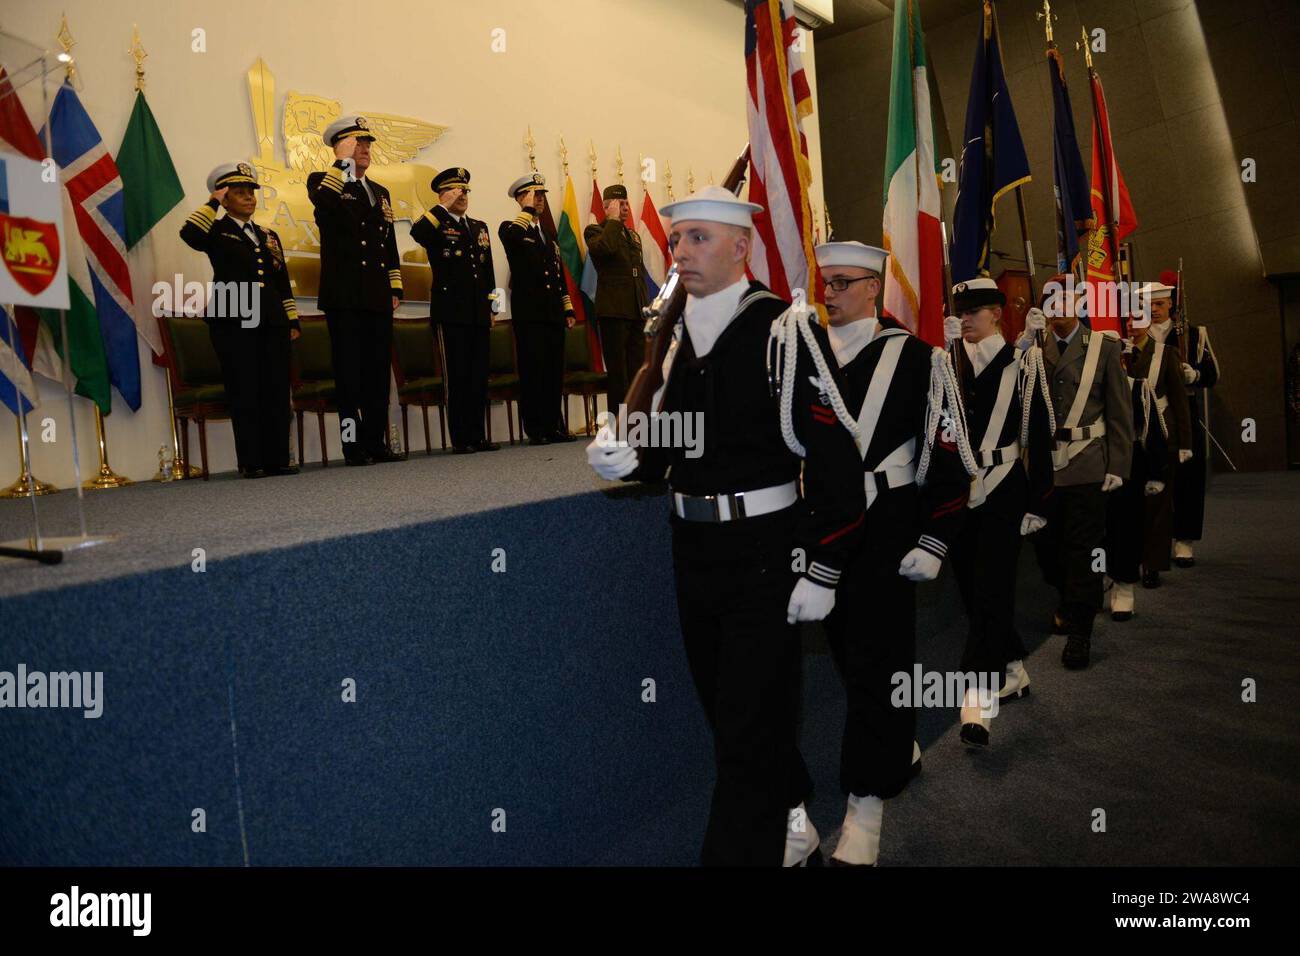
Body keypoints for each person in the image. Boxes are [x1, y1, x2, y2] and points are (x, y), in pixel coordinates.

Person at [586, 188, 864, 867]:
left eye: (699, 238)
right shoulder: (675, 334)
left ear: (741, 247)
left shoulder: (783, 329)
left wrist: (824, 567)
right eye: (678, 240)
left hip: (765, 554)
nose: (682, 251)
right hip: (694, 549)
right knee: (729, 709)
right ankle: (792, 812)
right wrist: (630, 459)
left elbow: (837, 459)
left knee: (744, 729)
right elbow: (679, 439)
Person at [814, 241, 974, 865]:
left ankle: (866, 800)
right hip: (826, 535)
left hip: (888, 530)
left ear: (874, 288)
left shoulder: (918, 359)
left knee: (878, 662)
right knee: (846, 657)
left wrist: (936, 538)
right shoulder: (809, 358)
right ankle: (897, 739)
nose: (828, 293)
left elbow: (950, 452)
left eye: (843, 283)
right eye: (824, 282)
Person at [943, 278, 1053, 746]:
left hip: (1005, 485)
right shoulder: (947, 363)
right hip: (961, 493)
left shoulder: (1022, 363)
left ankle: (978, 697)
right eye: (960, 310)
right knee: (971, 587)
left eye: (975, 310)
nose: (965, 318)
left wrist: (1039, 501)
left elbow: (1042, 432)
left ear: (996, 314)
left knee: (991, 587)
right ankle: (1012, 667)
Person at [1031, 275, 1133, 670]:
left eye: (1065, 299)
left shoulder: (1102, 348)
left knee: (1084, 548)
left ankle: (1081, 629)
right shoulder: (1033, 350)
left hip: (1088, 461)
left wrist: (1119, 464)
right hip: (1045, 468)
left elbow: (1119, 410)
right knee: (1047, 548)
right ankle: (1065, 595)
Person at [180, 162, 299, 478]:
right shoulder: (216, 231)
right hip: (234, 318)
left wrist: (292, 320)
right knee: (245, 390)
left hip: (272, 320)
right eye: (239, 193)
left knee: (274, 390)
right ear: (225, 198)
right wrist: (212, 202)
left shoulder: (268, 235)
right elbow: (189, 233)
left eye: (251, 193)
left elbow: (281, 280)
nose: (249, 198)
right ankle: (252, 460)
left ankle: (276, 459)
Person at [306, 115, 405, 466]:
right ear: (340, 146)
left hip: (377, 294)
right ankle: (352, 445)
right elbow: (324, 204)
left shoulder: (380, 192)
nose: (364, 149)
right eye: (357, 143)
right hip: (344, 295)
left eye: (366, 144)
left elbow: (387, 243)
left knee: (378, 374)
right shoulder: (324, 181)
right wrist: (341, 163)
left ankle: (376, 442)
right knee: (348, 376)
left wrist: (395, 286)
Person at [410, 167, 499, 453]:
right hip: (451, 313)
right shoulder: (436, 223)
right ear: (442, 194)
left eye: (465, 191)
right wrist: (443, 207)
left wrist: (495, 307)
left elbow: (488, 271)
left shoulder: (479, 227)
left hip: (478, 313)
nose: (462, 195)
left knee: (478, 376)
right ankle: (461, 438)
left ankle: (478, 435)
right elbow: (417, 232)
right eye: (455, 191)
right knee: (458, 378)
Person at [1104, 291, 1173, 621]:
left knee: (1126, 524)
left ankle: (1124, 584)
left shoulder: (1135, 386)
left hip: (1128, 461)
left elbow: (1151, 429)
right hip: (1087, 461)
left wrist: (1157, 472)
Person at [499, 172, 576, 445]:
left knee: (554, 371)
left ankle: (554, 425)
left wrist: (567, 308)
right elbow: (513, 239)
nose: (540, 200)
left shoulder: (547, 236)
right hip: (529, 313)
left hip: (552, 312)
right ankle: (536, 429)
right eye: (535, 195)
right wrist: (527, 209)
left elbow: (558, 276)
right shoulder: (511, 228)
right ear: (521, 198)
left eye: (542, 195)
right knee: (534, 371)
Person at [1153, 272, 1220, 567]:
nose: (1153, 310)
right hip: (1149, 412)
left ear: (1171, 305)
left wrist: (1195, 374)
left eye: (1159, 304)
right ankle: (1154, 539)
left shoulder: (1193, 334)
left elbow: (1213, 373)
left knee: (1187, 477)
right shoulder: (1135, 333)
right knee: (1152, 477)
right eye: (1149, 305)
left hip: (1183, 413)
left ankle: (1184, 539)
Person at [1132, 283, 1191, 588]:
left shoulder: (1166, 354)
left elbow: (1181, 403)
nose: (1134, 323)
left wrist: (1185, 443)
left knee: (1158, 504)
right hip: (1128, 437)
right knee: (1132, 505)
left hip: (1162, 433)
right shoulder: (1117, 352)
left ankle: (1153, 564)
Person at [584, 184, 648, 413]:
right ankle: (618, 423)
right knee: (618, 374)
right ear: (607, 206)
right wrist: (611, 220)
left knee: (636, 370)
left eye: (626, 203)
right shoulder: (595, 231)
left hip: (635, 308)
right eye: (620, 204)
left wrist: (644, 305)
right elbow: (606, 249)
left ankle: (637, 421)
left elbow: (637, 273)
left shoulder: (632, 235)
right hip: (613, 310)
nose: (625, 208)